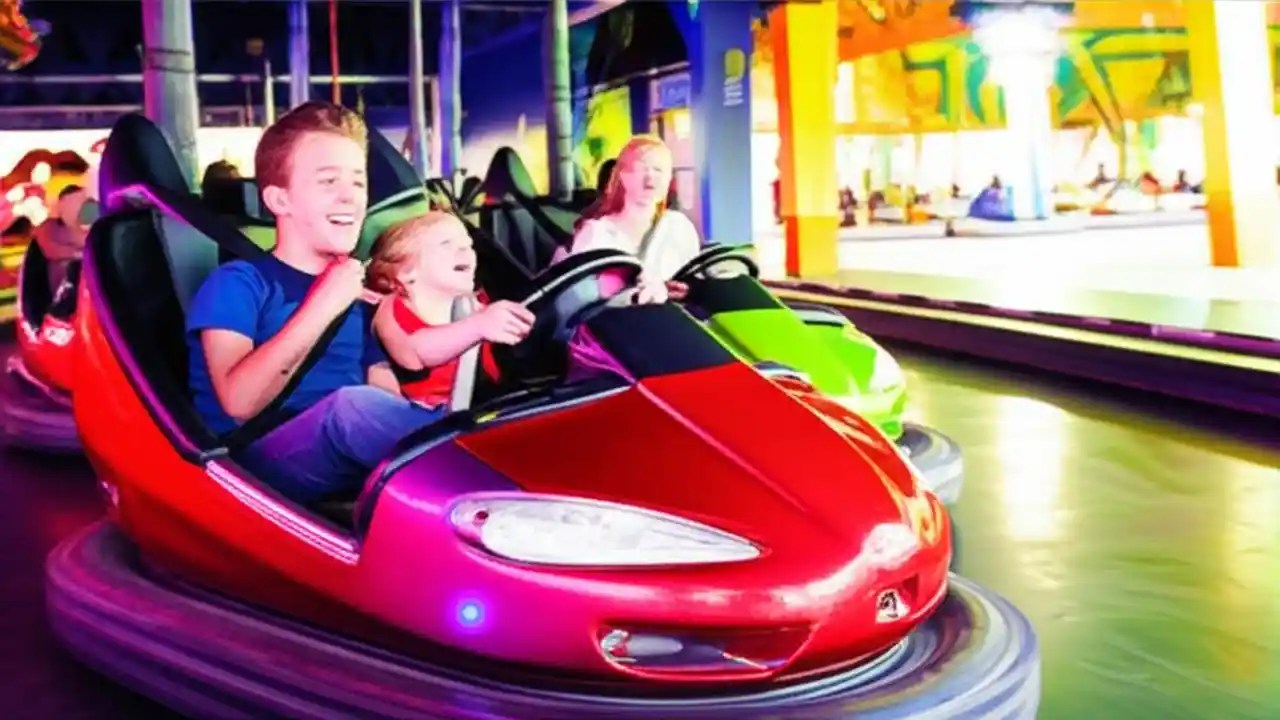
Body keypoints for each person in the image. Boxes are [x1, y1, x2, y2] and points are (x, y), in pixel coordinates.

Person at [185, 101, 441, 505]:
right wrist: (325, 302)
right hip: (252, 464)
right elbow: (239, 401)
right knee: (349, 409)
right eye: (328, 182)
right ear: (280, 200)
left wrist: (414, 416)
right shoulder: (238, 284)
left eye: (358, 182)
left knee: (394, 409)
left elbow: (378, 384)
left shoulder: (356, 288)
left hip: (340, 454)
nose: (349, 198)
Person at [365, 211, 534, 408]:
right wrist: (477, 326)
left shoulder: (475, 305)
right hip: (430, 416)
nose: (465, 250)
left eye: (468, 245)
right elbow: (412, 354)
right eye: (447, 244)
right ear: (406, 272)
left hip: (486, 404)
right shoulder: (392, 307)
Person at [553, 136, 702, 303]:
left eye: (658, 170)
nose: (650, 178)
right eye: (641, 168)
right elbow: (578, 300)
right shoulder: (596, 234)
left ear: (668, 180)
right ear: (622, 175)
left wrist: (676, 290)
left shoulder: (678, 227)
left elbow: (694, 282)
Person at [34, 184, 90, 290]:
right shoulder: (49, 227)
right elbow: (51, 250)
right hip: (65, 282)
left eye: (80, 202)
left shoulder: (91, 225)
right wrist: (80, 254)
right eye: (72, 203)